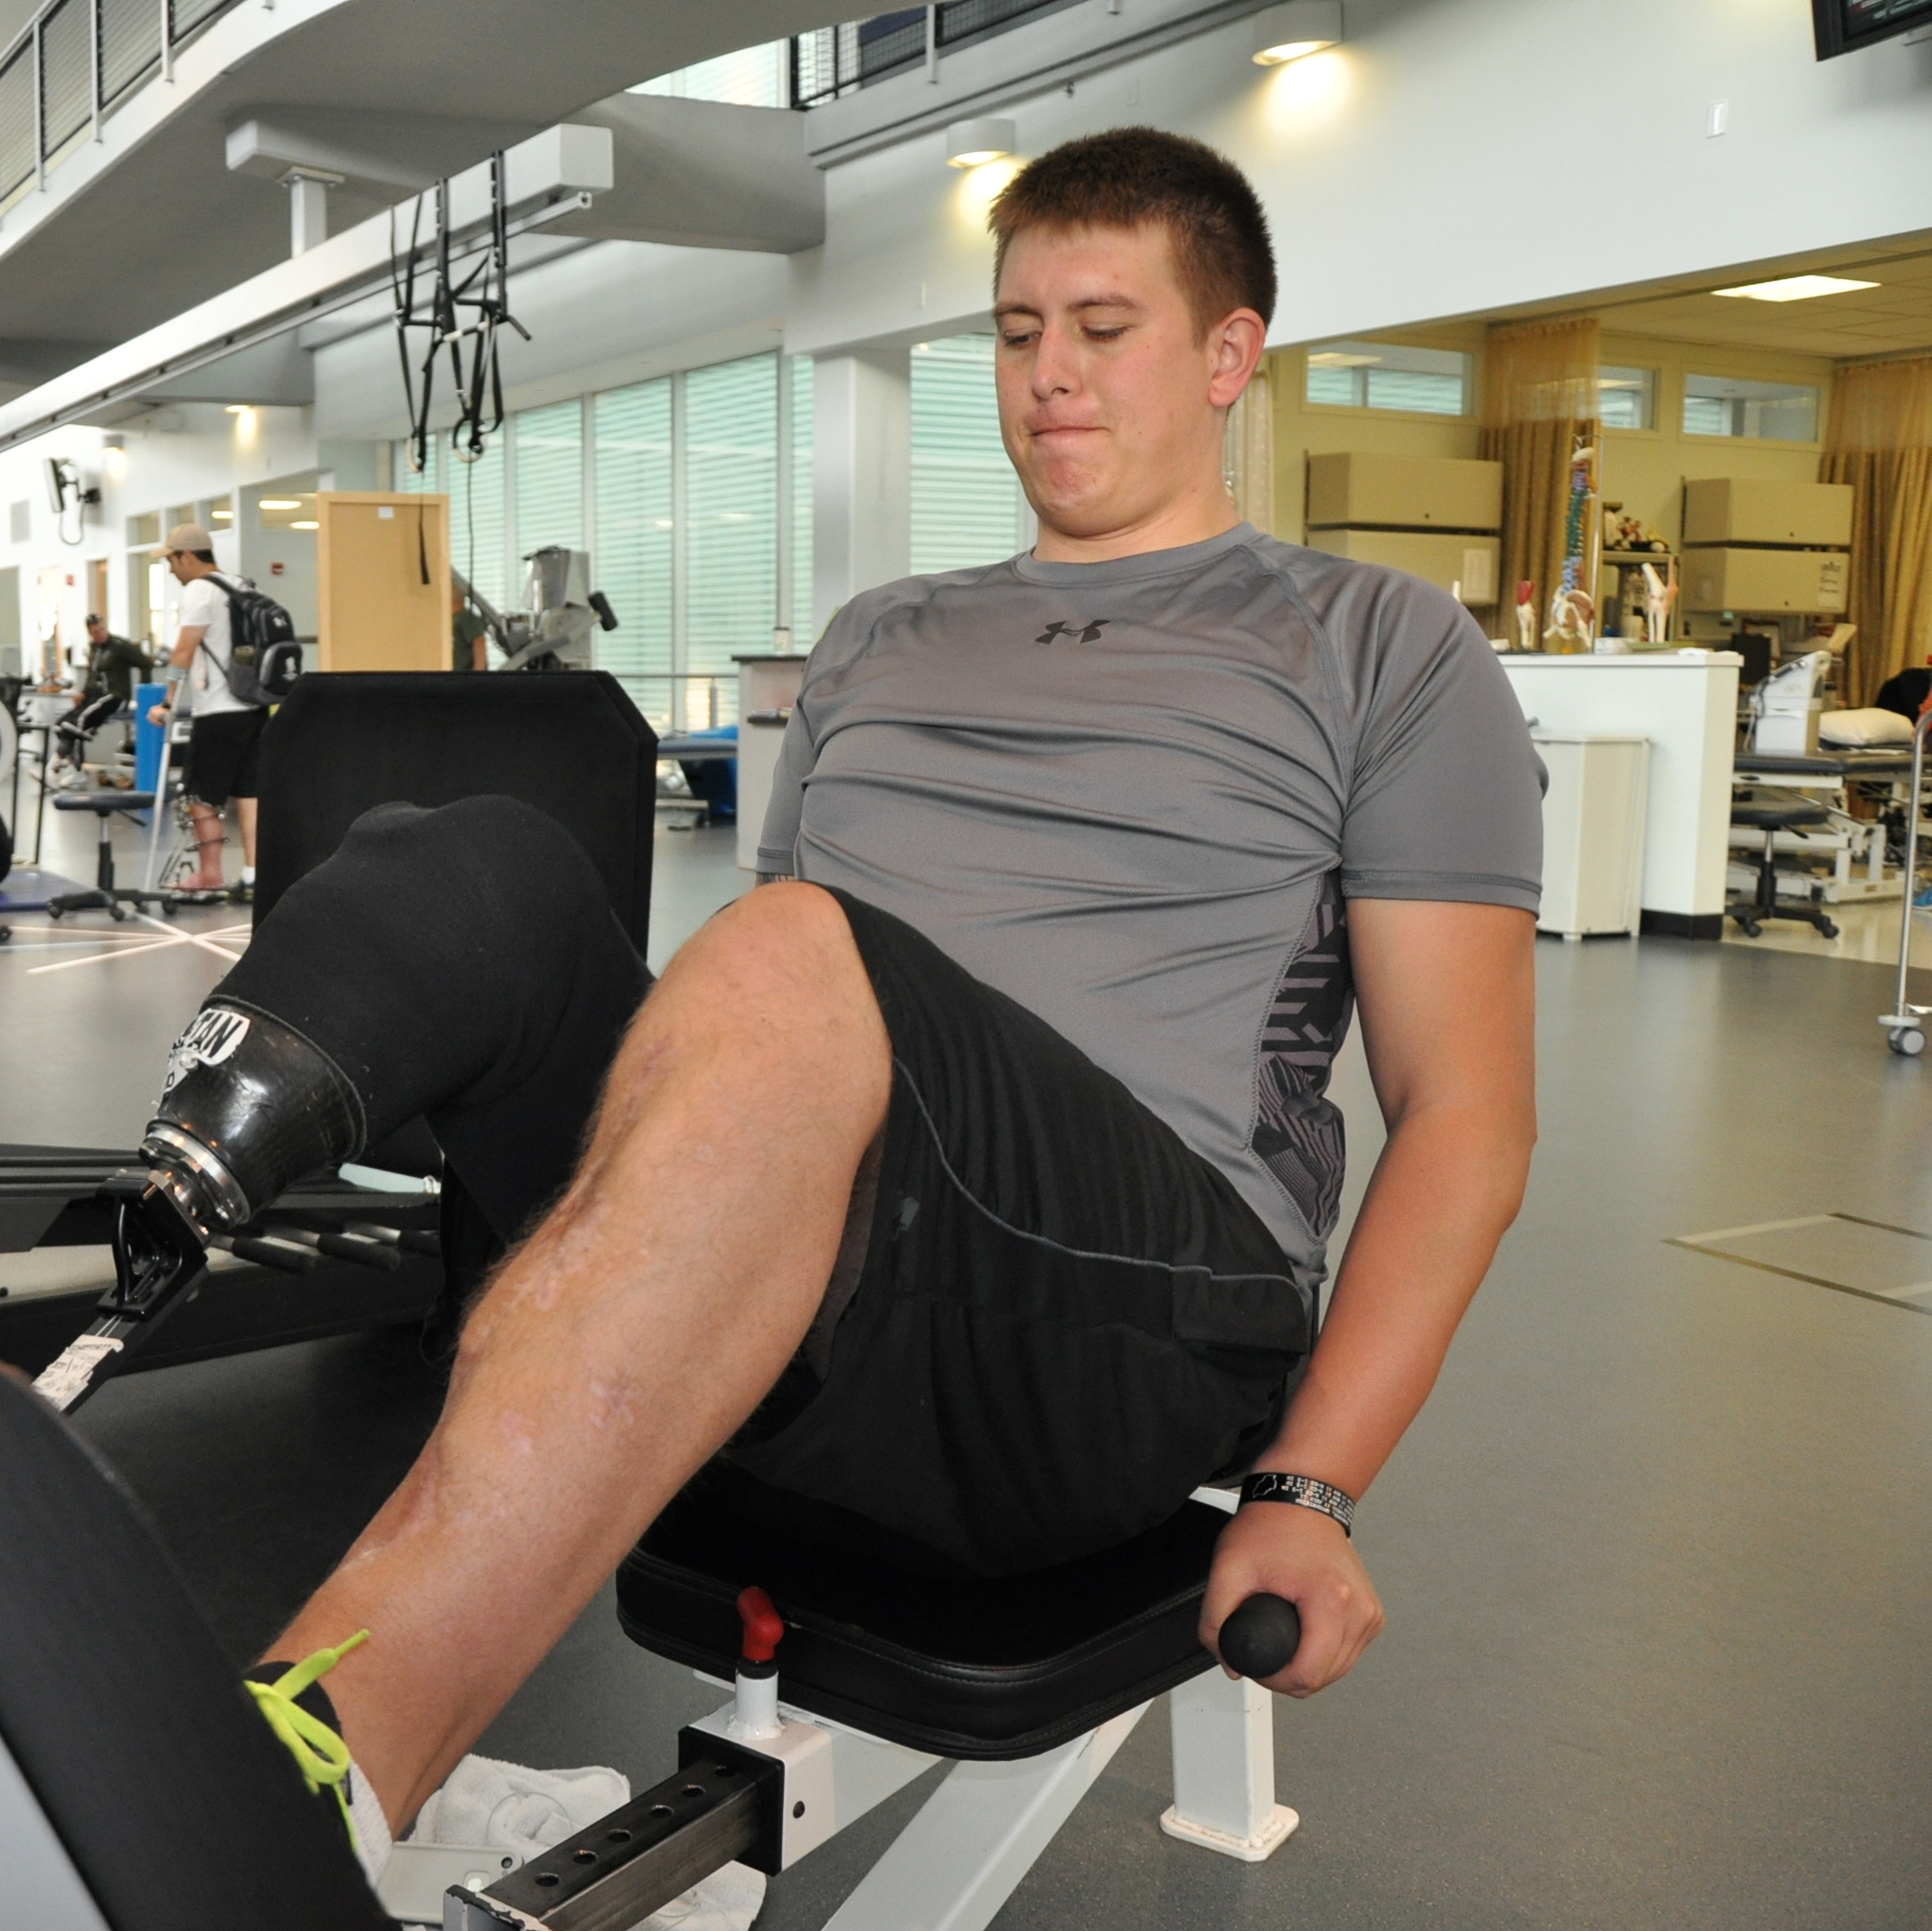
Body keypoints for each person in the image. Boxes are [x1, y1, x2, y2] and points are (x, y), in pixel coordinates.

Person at [123, 127, 1546, 1867]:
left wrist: (1310, 1488)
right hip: (823, 1276)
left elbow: (1465, 1115)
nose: (1049, 375)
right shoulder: (882, 633)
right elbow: (755, 1045)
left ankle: (291, 1807)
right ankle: (151, 1237)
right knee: (461, 858)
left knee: (791, 951)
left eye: (1104, 326)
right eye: (1018, 331)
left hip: (1120, 1320)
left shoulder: (1378, 645)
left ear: (1229, 352)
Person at [146, 523, 269, 897]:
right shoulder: (243, 585)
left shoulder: (200, 590)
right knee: (250, 792)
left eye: (171, 560)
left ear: (187, 556)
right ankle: (253, 874)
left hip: (217, 710)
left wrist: (167, 702)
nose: (170, 570)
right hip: (253, 705)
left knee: (201, 794)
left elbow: (184, 649)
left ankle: (210, 875)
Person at [83, 613, 156, 708]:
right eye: (96, 632)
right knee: (72, 716)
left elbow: (146, 663)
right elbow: (92, 673)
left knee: (87, 715)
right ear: (90, 633)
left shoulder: (120, 645)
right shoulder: (94, 648)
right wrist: (84, 693)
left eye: (102, 629)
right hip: (98, 696)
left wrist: (143, 692)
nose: (100, 634)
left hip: (117, 697)